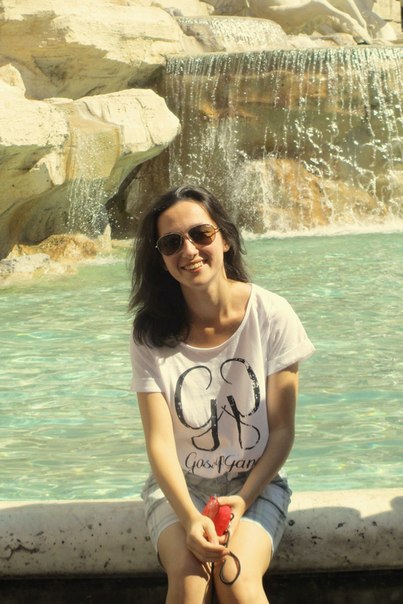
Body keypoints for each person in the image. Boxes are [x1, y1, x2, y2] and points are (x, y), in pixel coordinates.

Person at [129, 184, 315, 604]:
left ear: (225, 238)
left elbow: (282, 430)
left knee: (235, 579)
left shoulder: (272, 315)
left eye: (201, 234)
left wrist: (244, 499)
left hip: (257, 483)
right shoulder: (149, 334)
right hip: (180, 488)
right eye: (172, 242)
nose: (189, 250)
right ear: (161, 258)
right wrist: (189, 516)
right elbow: (159, 442)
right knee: (189, 579)